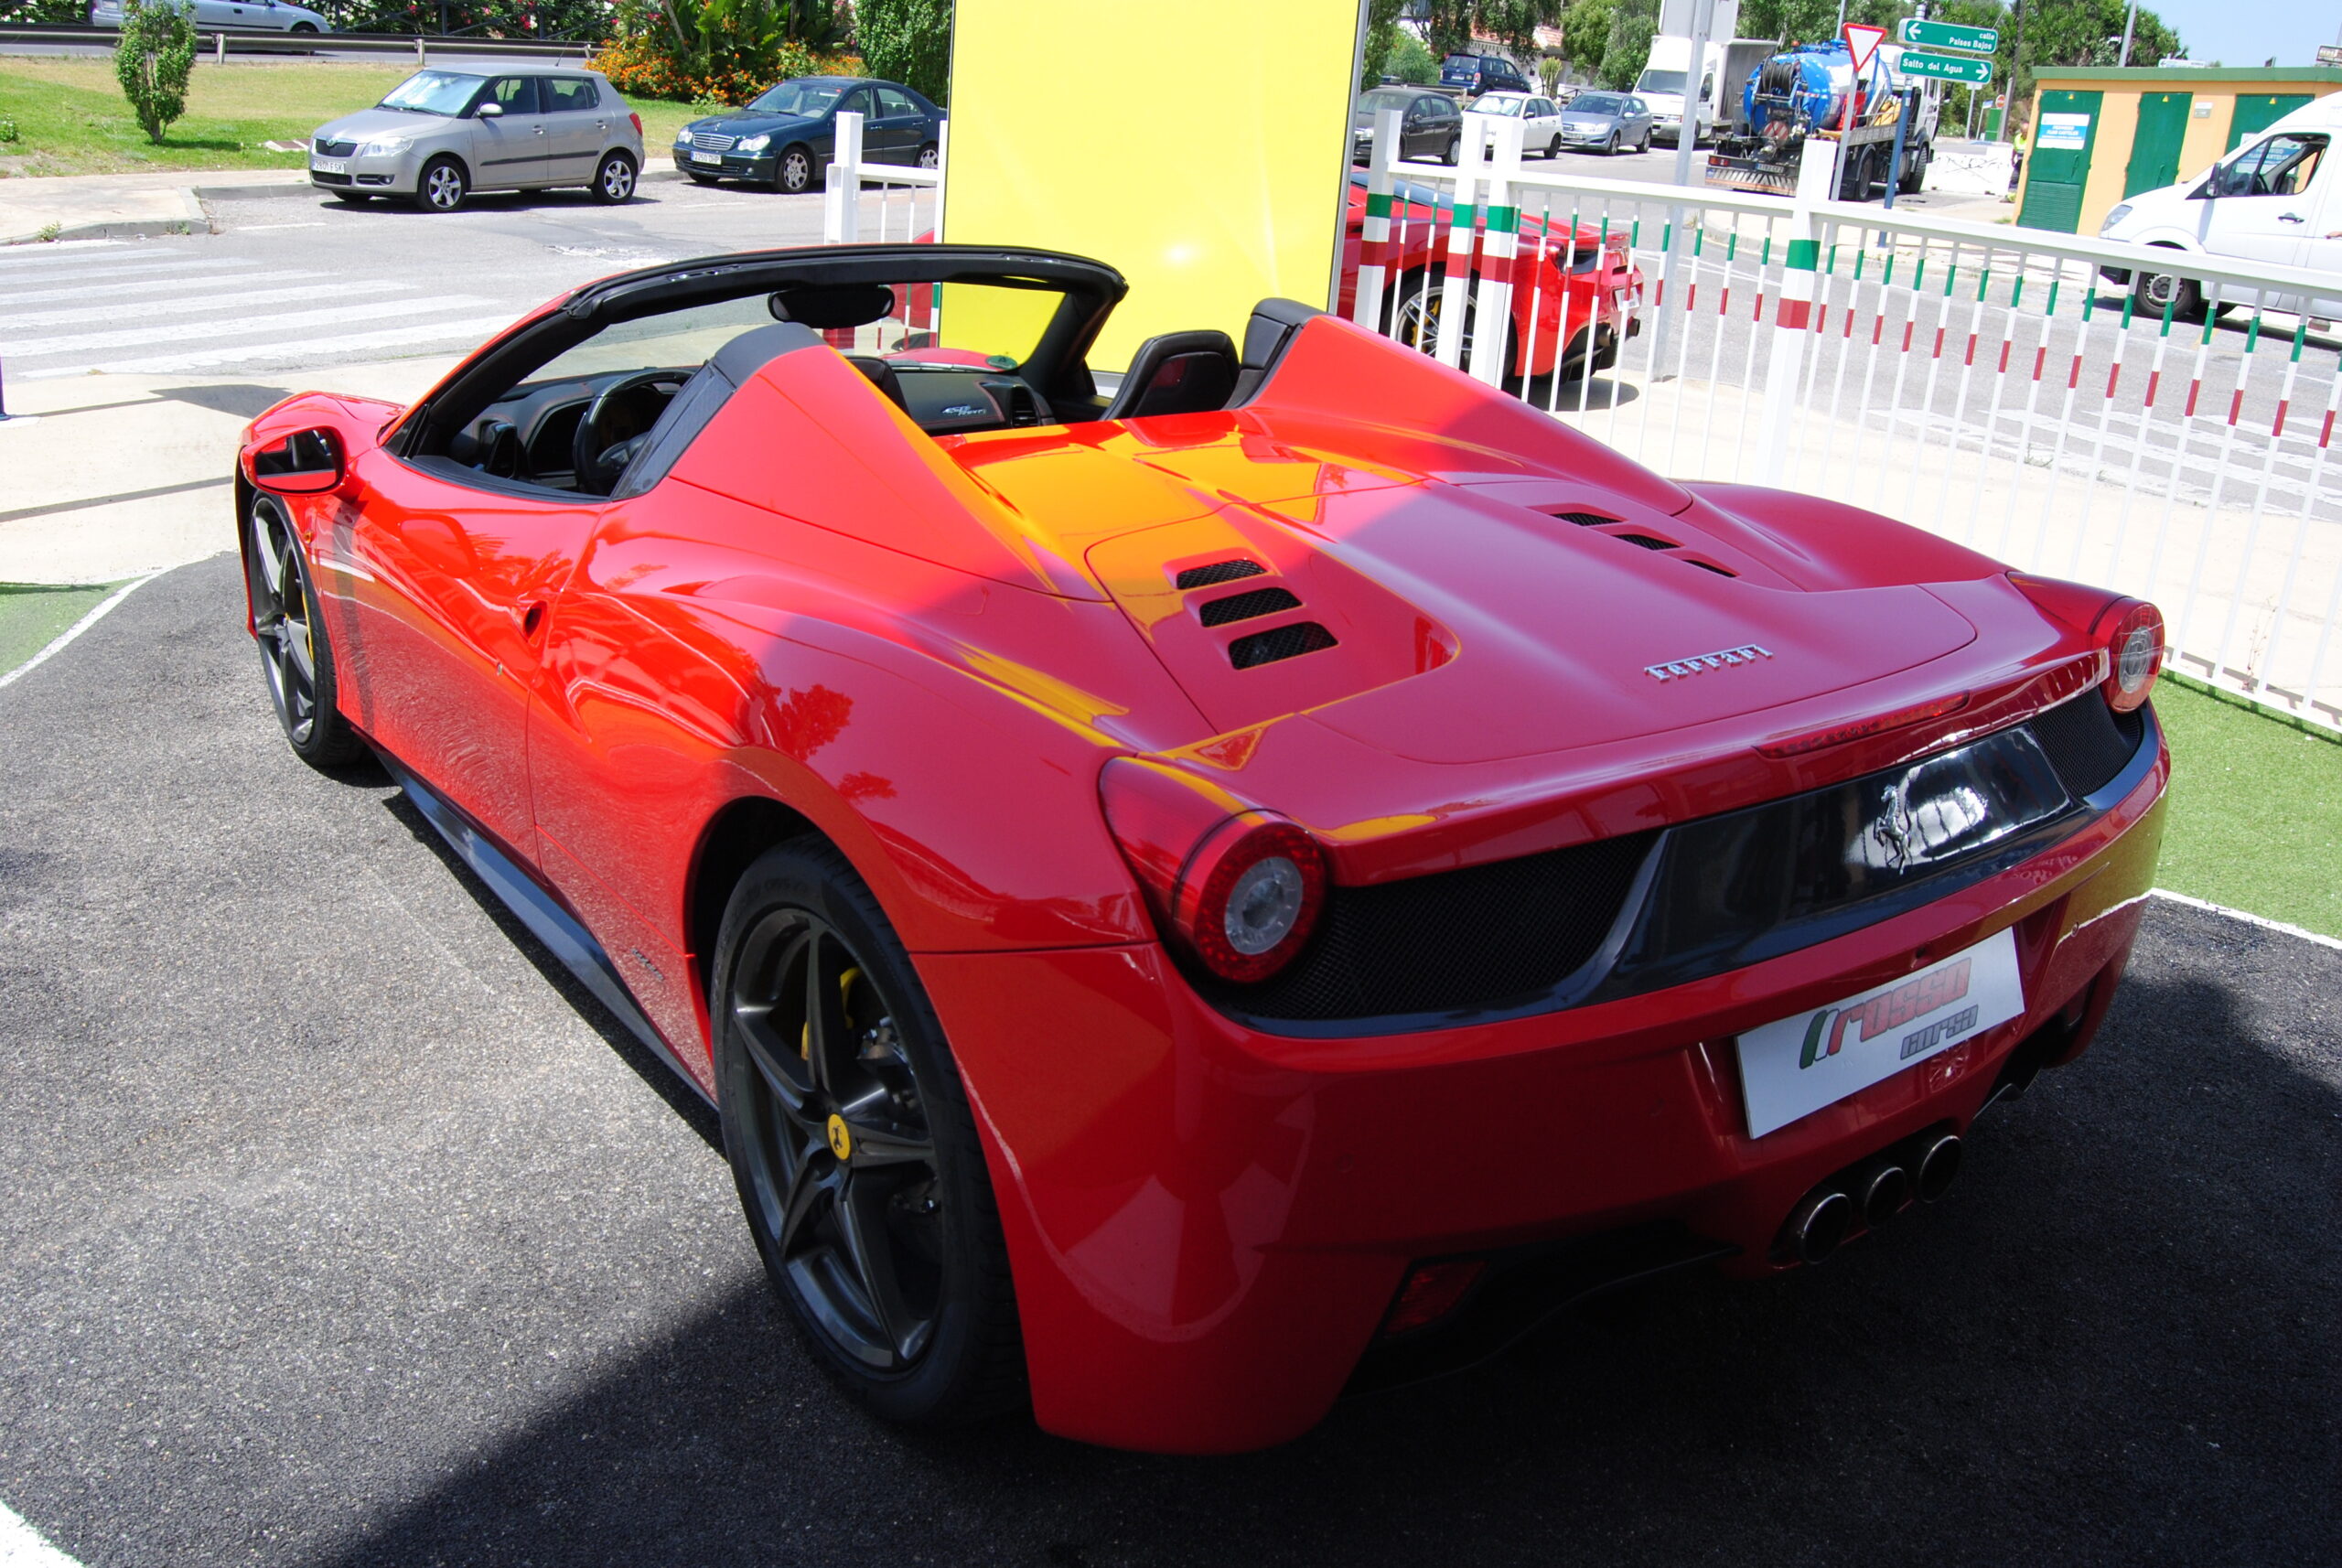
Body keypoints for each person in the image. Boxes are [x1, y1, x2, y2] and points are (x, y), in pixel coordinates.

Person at [2007, 123, 2029, 198]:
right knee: (2014, 178)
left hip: (2028, 163)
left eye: (2026, 132)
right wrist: (2012, 158)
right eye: (2023, 131)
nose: (2024, 133)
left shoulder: (2031, 139)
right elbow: (2015, 149)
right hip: (2019, 162)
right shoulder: (2017, 138)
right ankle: (2011, 196)